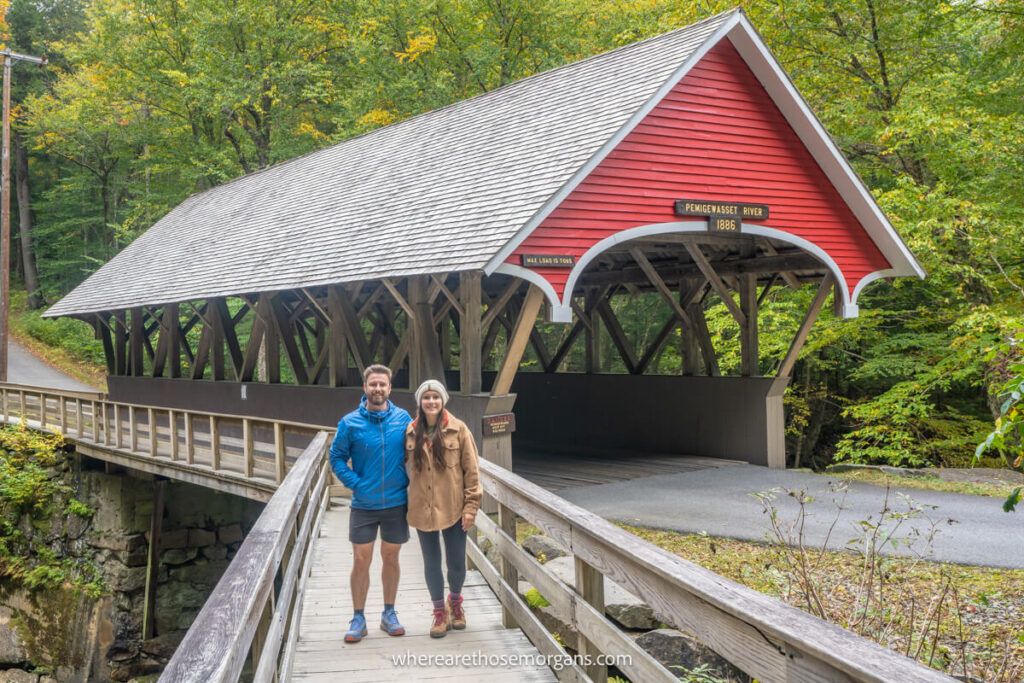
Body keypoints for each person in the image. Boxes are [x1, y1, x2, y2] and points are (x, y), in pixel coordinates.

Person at [329, 364, 412, 643]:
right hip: (363, 504)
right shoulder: (349, 422)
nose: (378, 389)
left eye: (383, 384)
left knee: (391, 557)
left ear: (390, 388)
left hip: (396, 502)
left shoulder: (403, 419)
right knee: (361, 559)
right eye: (373, 384)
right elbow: (336, 457)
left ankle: (389, 613)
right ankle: (358, 617)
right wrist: (355, 483)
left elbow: (418, 451)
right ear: (365, 387)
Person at [405, 379, 482, 638]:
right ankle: (439, 611)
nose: (431, 402)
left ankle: (456, 603)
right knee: (431, 562)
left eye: (435, 397)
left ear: (443, 400)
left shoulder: (459, 430)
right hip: (422, 509)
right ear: (420, 402)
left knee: (457, 562)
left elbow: (472, 472)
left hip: (454, 508)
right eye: (426, 397)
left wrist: (471, 507)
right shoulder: (410, 432)